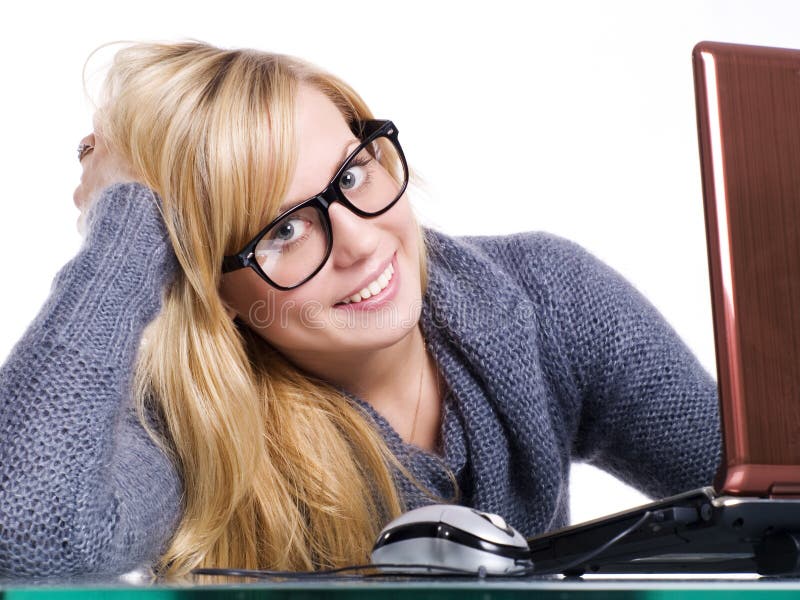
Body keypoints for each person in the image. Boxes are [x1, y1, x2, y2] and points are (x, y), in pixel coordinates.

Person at [0, 41, 721, 578]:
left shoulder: (548, 298)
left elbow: (759, 484)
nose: (360, 241)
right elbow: (25, 532)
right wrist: (128, 218)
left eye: (351, 175)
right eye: (283, 230)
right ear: (215, 291)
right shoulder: (190, 419)